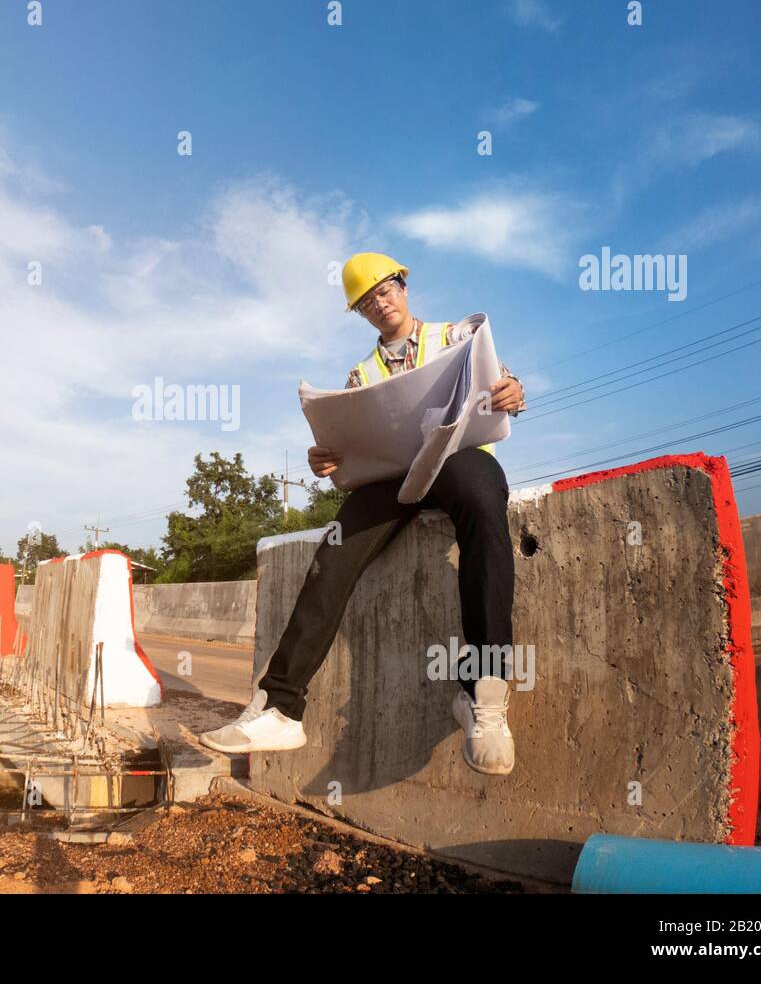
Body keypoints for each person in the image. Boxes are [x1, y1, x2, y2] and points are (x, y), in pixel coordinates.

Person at [200, 253, 526, 775]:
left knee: (485, 502)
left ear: (403, 286)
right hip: (391, 479)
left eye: (385, 290)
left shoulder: (456, 338)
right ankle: (282, 707)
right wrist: (325, 458)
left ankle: (483, 695)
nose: (380, 303)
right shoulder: (361, 375)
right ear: (361, 313)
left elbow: (506, 390)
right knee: (334, 550)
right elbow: (349, 445)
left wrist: (513, 392)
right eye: (366, 301)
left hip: (458, 462)